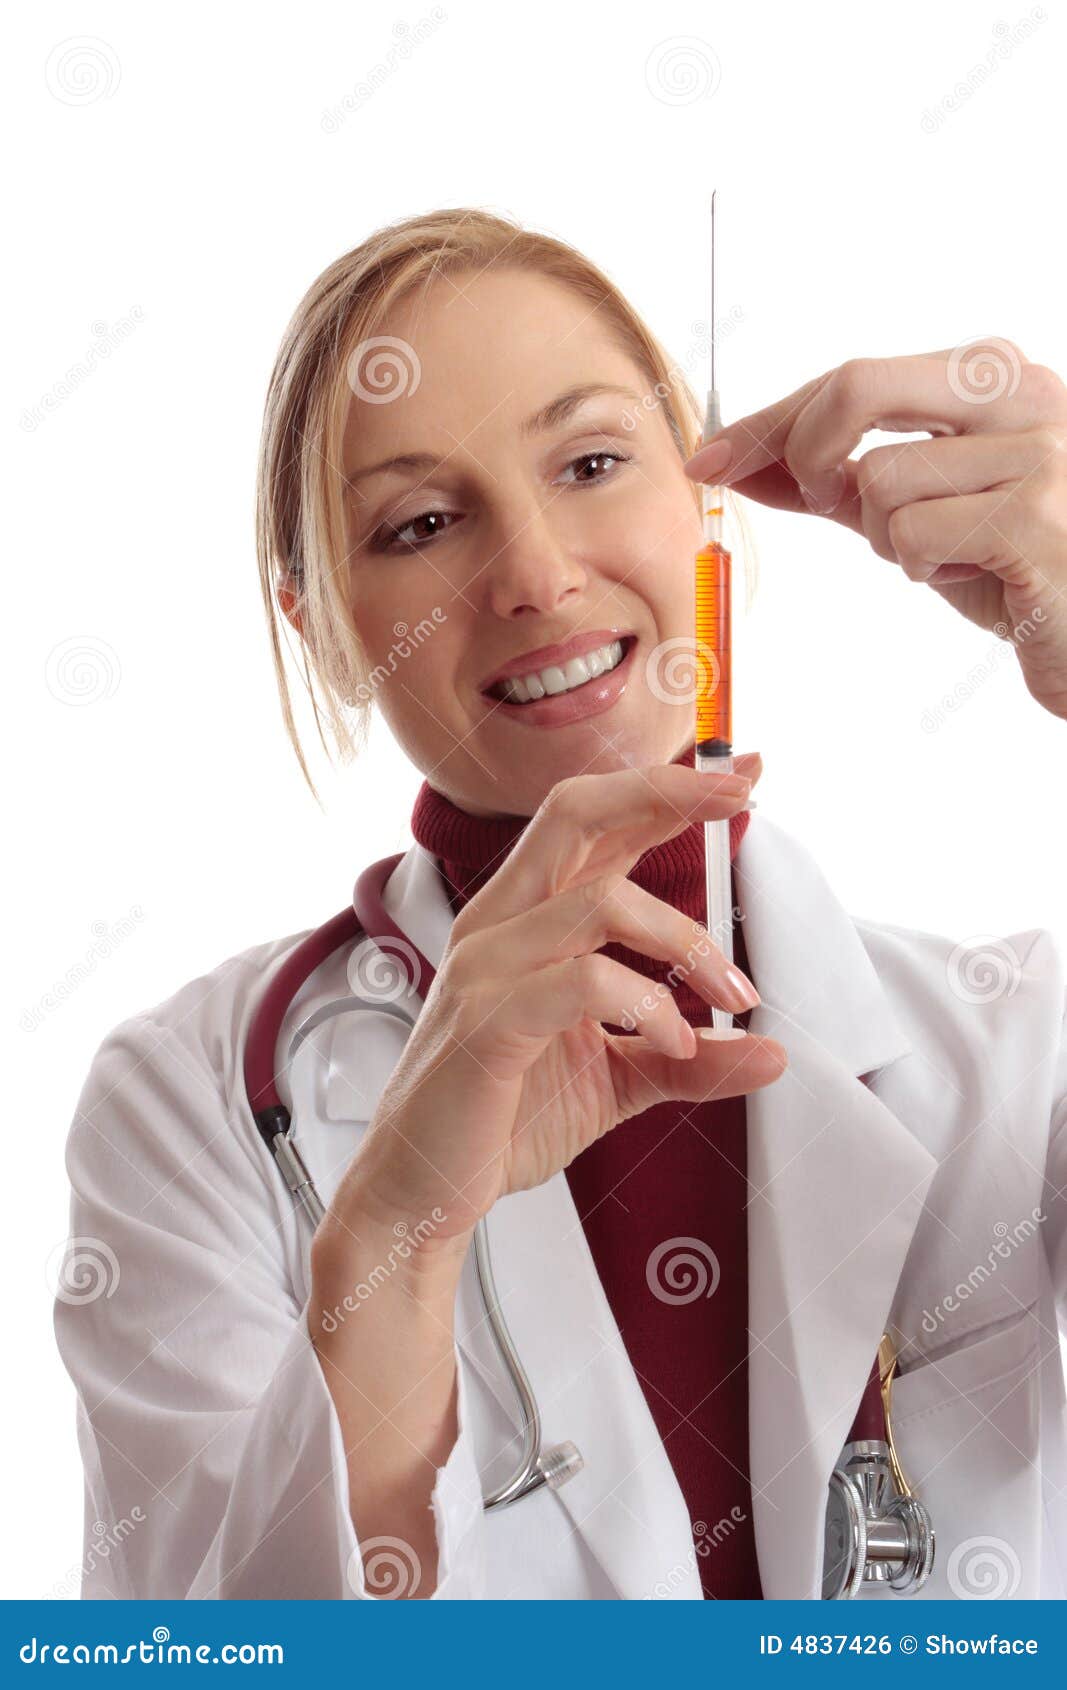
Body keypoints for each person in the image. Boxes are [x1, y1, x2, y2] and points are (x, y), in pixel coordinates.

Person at [54, 208, 1067, 1601]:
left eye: (593, 461)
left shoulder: (1009, 1055)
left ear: (706, 506)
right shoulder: (191, 1108)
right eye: (421, 523)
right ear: (323, 621)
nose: (533, 574)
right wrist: (397, 1231)